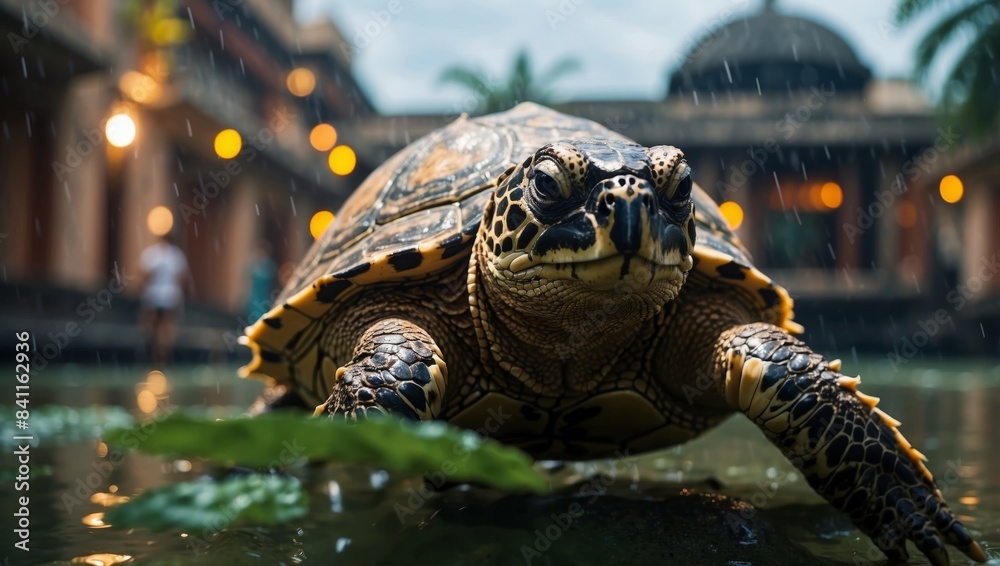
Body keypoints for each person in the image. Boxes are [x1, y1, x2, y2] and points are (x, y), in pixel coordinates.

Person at [139, 232, 192, 366]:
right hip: (167, 295)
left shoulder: (151, 254)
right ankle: (161, 354)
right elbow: (183, 277)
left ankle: (158, 355)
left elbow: (143, 275)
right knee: (163, 327)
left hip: (157, 295)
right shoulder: (175, 255)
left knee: (158, 327)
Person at [245, 240, 277, 323]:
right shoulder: (254, 264)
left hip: (265, 295)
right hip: (255, 296)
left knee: (262, 313)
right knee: (253, 314)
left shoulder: (270, 265)